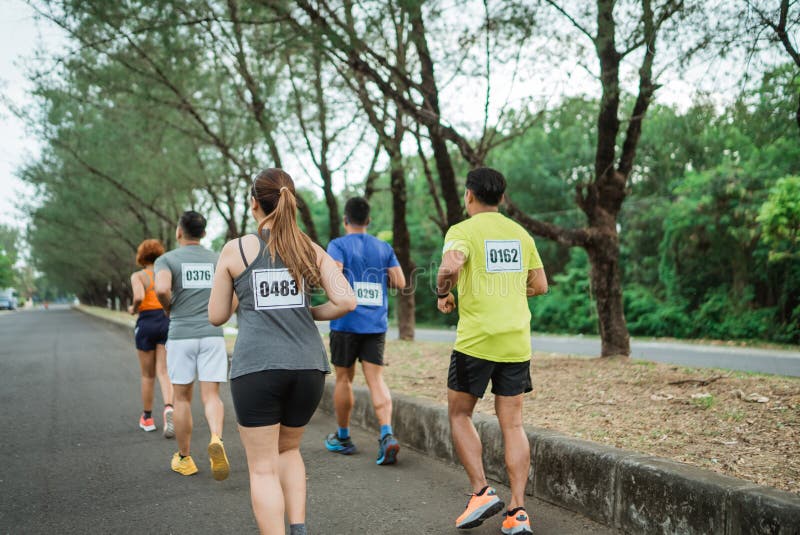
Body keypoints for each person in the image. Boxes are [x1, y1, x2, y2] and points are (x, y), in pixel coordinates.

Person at [209, 168, 355, 535]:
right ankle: (299, 528)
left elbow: (216, 316)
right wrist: (311, 313)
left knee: (261, 467)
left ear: (254, 203)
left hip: (256, 367)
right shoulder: (308, 247)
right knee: (289, 451)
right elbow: (347, 300)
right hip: (307, 367)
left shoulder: (236, 249)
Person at [435, 168, 548, 535]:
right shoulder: (520, 233)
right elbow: (540, 285)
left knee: (459, 413)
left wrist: (443, 292)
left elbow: (451, 265)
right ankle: (517, 512)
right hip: (516, 340)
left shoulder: (462, 231)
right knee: (513, 423)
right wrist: (509, 292)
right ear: (502, 197)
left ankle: (481, 492)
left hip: (477, 342)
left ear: (469, 195)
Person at [323, 197, 406, 465]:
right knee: (376, 380)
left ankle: (343, 437)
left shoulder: (337, 245)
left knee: (344, 379)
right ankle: (386, 434)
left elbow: (333, 276)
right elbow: (400, 282)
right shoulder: (383, 247)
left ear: (346, 220)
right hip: (374, 325)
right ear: (368, 221)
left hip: (345, 323)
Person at [154, 211, 230, 481]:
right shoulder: (217, 259)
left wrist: (168, 308)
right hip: (212, 334)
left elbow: (162, 289)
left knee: (182, 397)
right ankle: (216, 439)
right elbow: (233, 294)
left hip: (181, 335)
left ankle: (185, 458)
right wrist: (224, 314)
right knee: (211, 395)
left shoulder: (167, 259)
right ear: (204, 233)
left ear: (178, 231)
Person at [128, 239, 174, 438]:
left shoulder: (138, 276)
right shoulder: (164, 274)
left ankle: (147, 418)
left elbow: (138, 297)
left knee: (148, 375)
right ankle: (169, 408)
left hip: (146, 322)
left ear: (141, 257)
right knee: (163, 371)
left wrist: (133, 309)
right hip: (164, 320)